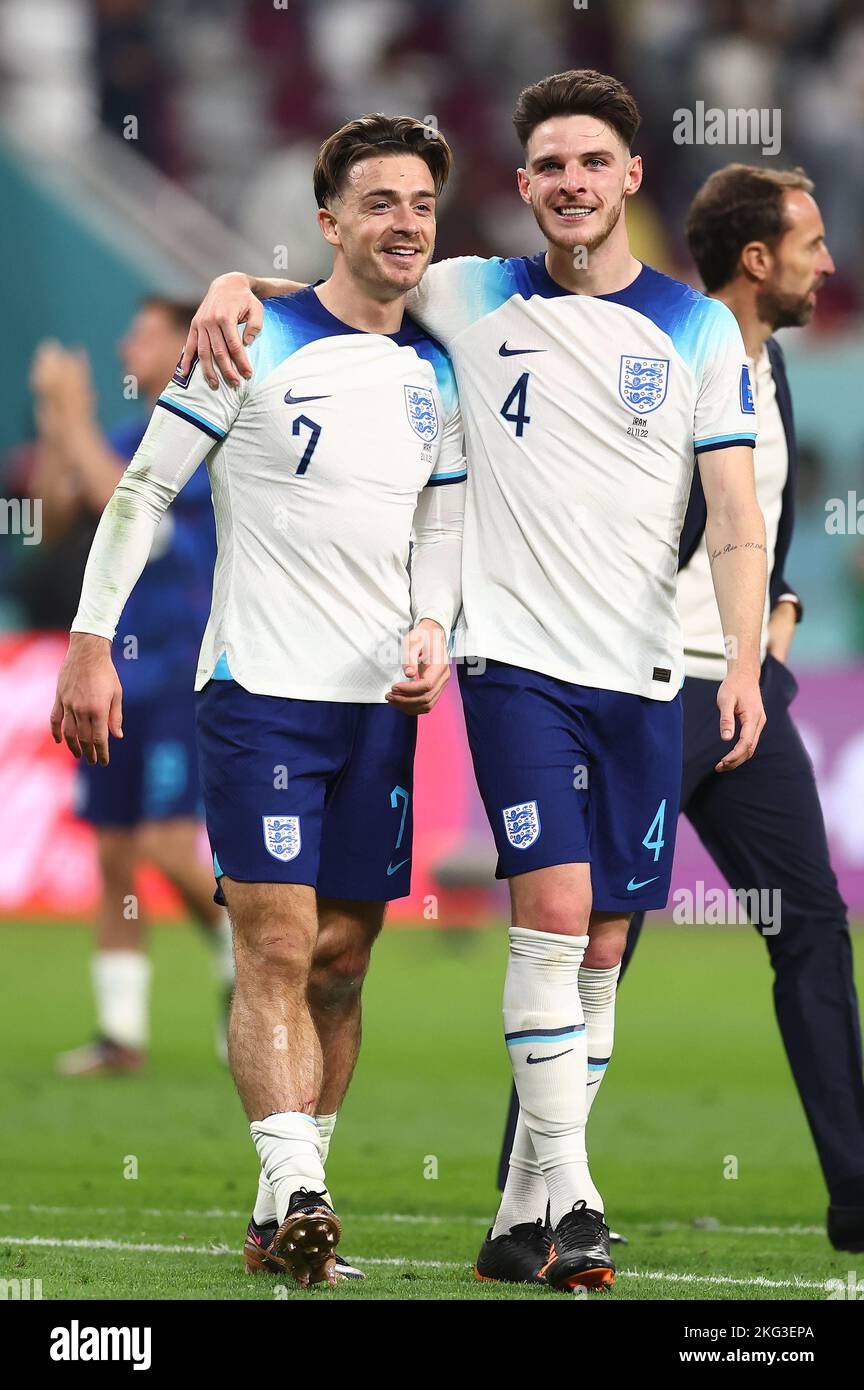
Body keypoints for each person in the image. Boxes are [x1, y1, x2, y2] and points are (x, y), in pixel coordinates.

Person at [177, 69, 769, 1291]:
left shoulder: (696, 329)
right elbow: (346, 284)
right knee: (555, 914)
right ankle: (580, 1199)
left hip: (645, 669)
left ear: (631, 177)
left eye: (592, 163)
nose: (571, 184)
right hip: (512, 667)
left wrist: (747, 656)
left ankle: (518, 1216)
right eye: (549, 165)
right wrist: (239, 283)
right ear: (525, 183)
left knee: (604, 942)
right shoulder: (471, 291)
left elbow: (735, 519)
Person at [51, 114, 466, 1288]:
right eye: (379, 202)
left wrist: (434, 626)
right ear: (328, 221)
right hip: (259, 694)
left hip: (379, 708)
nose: (405, 222)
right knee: (275, 943)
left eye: (421, 203)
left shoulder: (438, 368)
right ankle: (300, 1186)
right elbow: (140, 492)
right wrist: (90, 643)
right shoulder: (245, 338)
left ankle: (283, 1211)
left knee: (342, 960)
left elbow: (441, 524)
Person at [624, 166, 862, 1254]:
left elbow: (756, 517)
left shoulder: (772, 364)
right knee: (599, 944)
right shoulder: (668, 358)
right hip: (651, 686)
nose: (828, 264)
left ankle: (856, 1193)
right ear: (758, 260)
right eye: (810, 245)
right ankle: (530, 1196)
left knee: (810, 926)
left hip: (744, 695)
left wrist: (779, 610)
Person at [30, 299, 233, 1075]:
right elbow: (51, 517)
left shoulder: (206, 431)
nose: (126, 345)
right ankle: (121, 1034)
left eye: (144, 334)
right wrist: (58, 421)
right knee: (114, 851)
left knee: (164, 843)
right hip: (113, 672)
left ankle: (243, 949)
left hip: (182, 668)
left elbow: (131, 514)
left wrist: (77, 416)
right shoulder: (119, 435)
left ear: (186, 344)